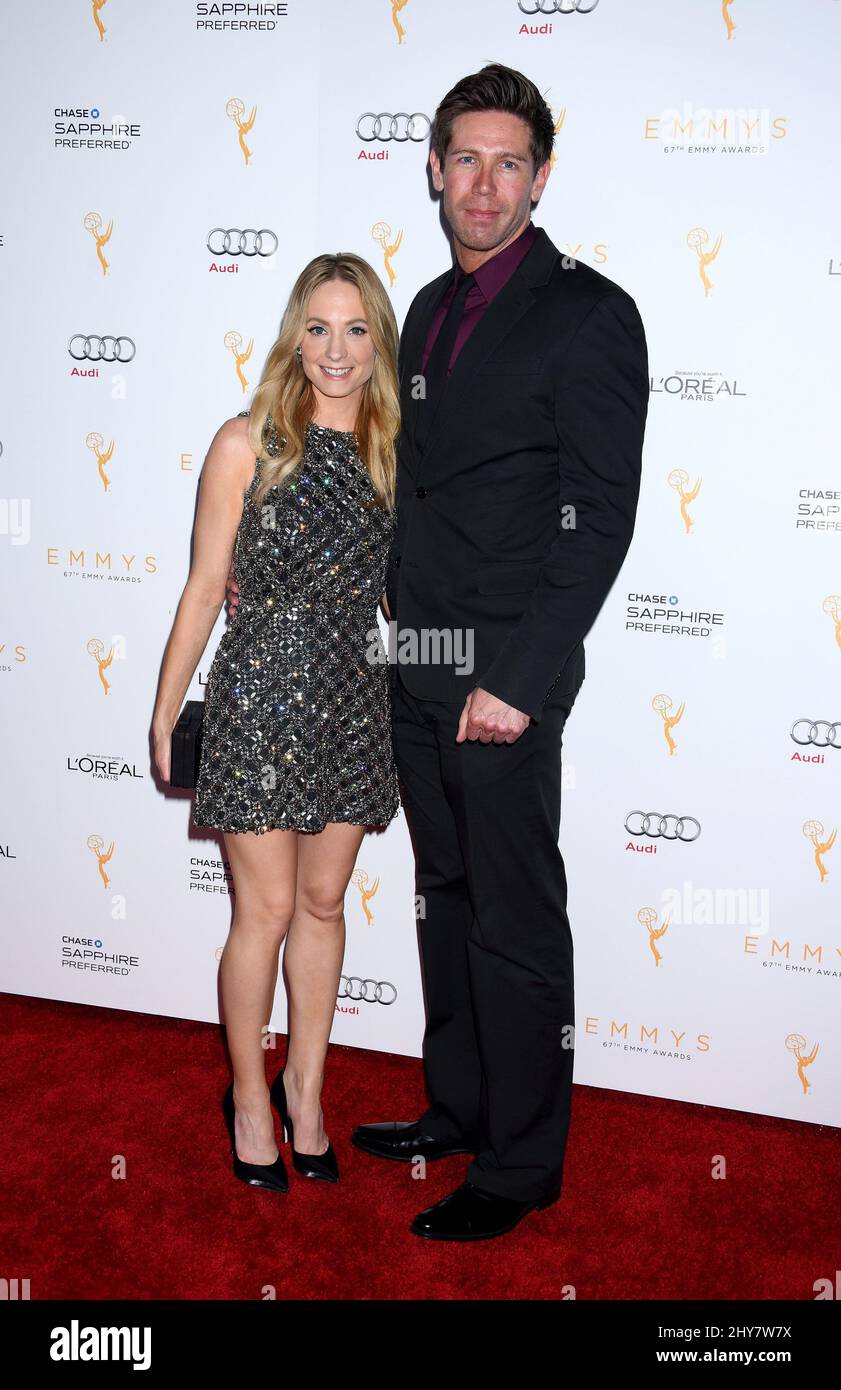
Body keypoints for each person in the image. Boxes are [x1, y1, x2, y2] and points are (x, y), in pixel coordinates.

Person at [349, 63, 650, 1241]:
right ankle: (460, 1108)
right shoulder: (422, 308)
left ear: (541, 177)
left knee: (515, 919)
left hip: (504, 678)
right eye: (464, 159)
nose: (483, 183)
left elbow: (599, 516)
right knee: (442, 899)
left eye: (508, 162)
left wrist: (515, 682)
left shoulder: (589, 313)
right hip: (415, 661)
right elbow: (415, 496)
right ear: (433, 168)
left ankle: (521, 1167)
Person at [152, 253, 401, 1193]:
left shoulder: (391, 448)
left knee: (324, 907)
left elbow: (396, 593)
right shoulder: (245, 440)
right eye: (318, 327)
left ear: (378, 340)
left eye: (356, 329)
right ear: (295, 334)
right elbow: (206, 583)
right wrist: (167, 704)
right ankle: (248, 1100)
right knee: (261, 912)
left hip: (351, 701)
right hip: (257, 702)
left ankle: (307, 1091)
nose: (336, 350)